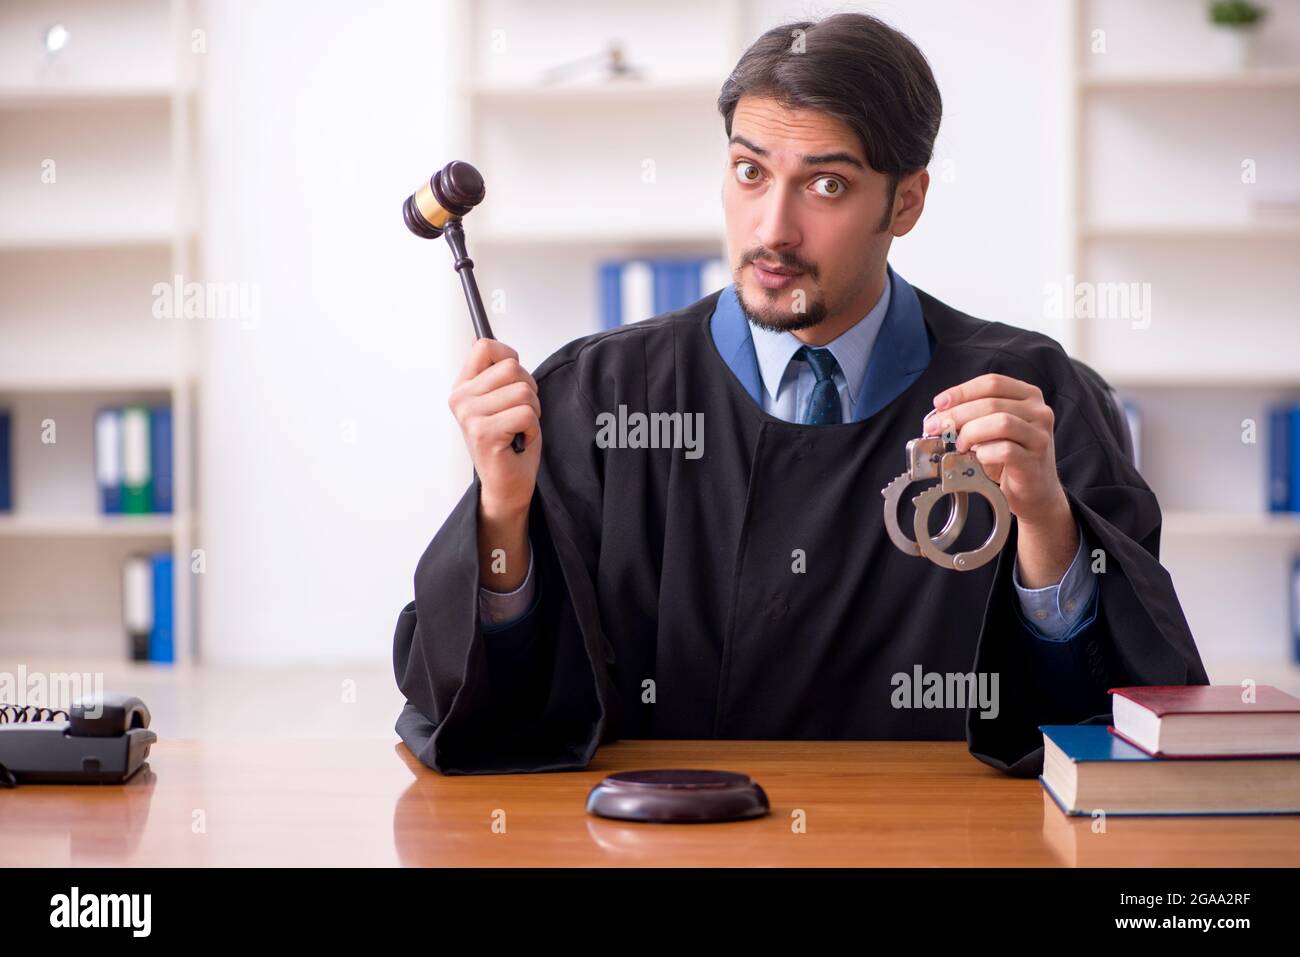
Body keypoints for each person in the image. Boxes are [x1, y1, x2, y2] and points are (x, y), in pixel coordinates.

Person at [393, 12, 1207, 776]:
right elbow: (481, 714)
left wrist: (1048, 529)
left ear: (908, 200)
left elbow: (1118, 726)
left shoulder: (1031, 400)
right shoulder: (597, 396)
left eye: (825, 186)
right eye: (750, 172)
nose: (772, 228)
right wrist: (501, 514)